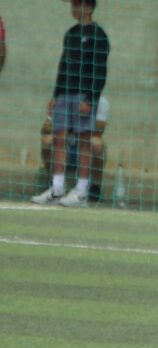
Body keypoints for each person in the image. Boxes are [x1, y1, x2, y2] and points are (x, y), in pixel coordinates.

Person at [31, 0, 109, 208]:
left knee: (84, 141)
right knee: (58, 138)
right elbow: (63, 64)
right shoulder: (70, 34)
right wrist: (56, 94)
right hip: (65, 94)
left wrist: (90, 98)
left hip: (83, 95)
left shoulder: (98, 35)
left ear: (90, 7)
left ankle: (81, 190)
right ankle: (57, 188)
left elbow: (100, 70)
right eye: (73, 5)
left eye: (78, 5)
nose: (74, 9)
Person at [39, 95, 109, 203]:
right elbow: (45, 129)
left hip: (85, 143)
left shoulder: (101, 101)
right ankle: (54, 181)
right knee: (47, 140)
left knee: (96, 143)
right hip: (66, 142)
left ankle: (95, 186)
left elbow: (99, 128)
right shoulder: (62, 97)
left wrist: (68, 126)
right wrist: (50, 115)